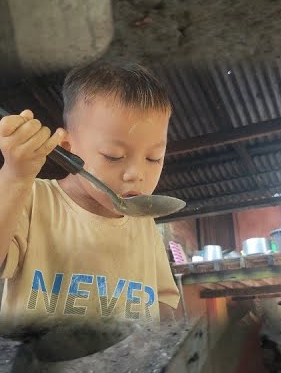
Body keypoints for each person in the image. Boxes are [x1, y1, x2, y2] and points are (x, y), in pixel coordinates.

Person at [0, 61, 180, 324]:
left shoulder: (144, 224)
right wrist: (15, 177)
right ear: (67, 148)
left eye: (154, 158)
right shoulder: (31, 198)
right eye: (113, 155)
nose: (136, 174)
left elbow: (163, 300)